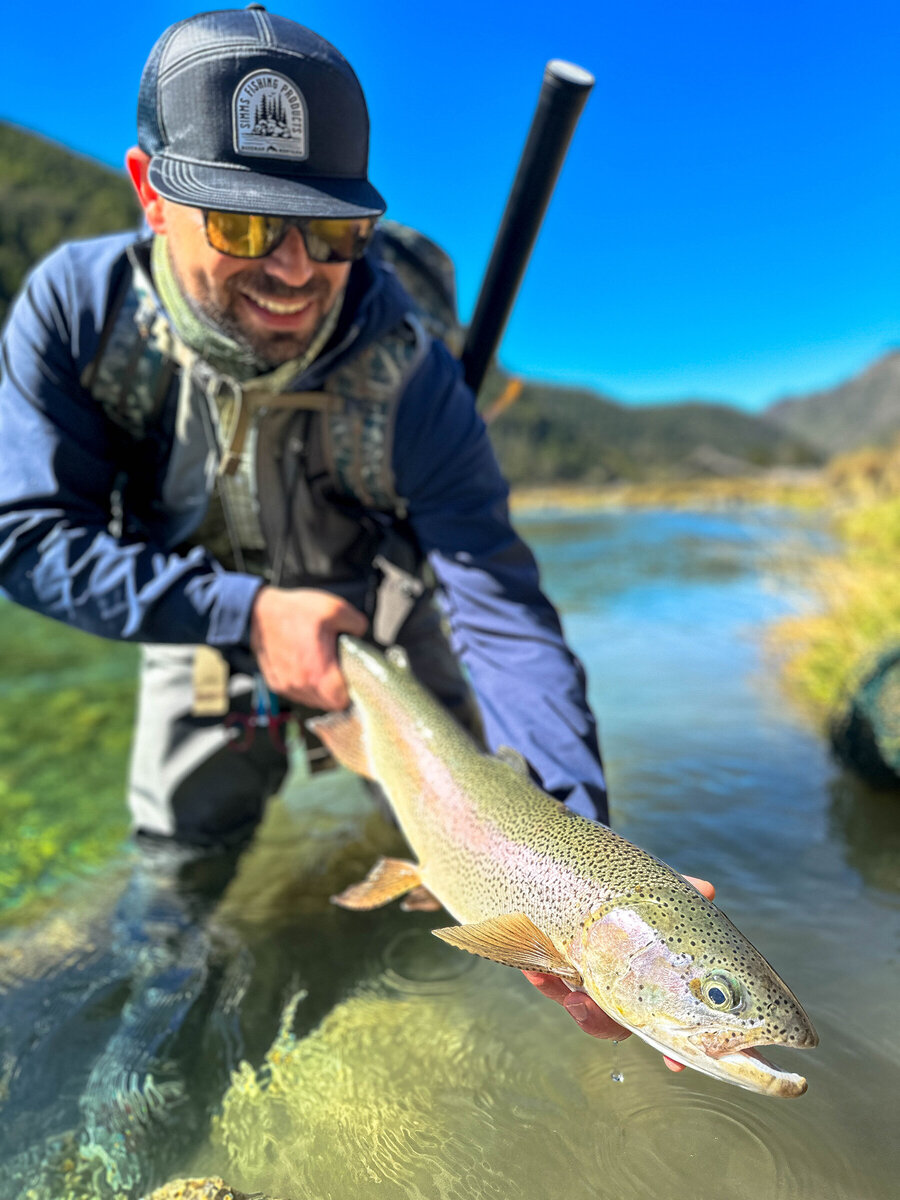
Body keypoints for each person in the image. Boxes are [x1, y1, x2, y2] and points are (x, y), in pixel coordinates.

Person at [0, 9, 705, 1139]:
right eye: (245, 223)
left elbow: (497, 601)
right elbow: (29, 537)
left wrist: (575, 854)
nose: (295, 270)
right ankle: (139, 1107)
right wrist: (245, 614)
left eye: (333, 233)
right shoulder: (77, 318)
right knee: (174, 884)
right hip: (204, 624)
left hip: (390, 633)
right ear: (150, 192)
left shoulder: (412, 372)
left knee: (471, 833)